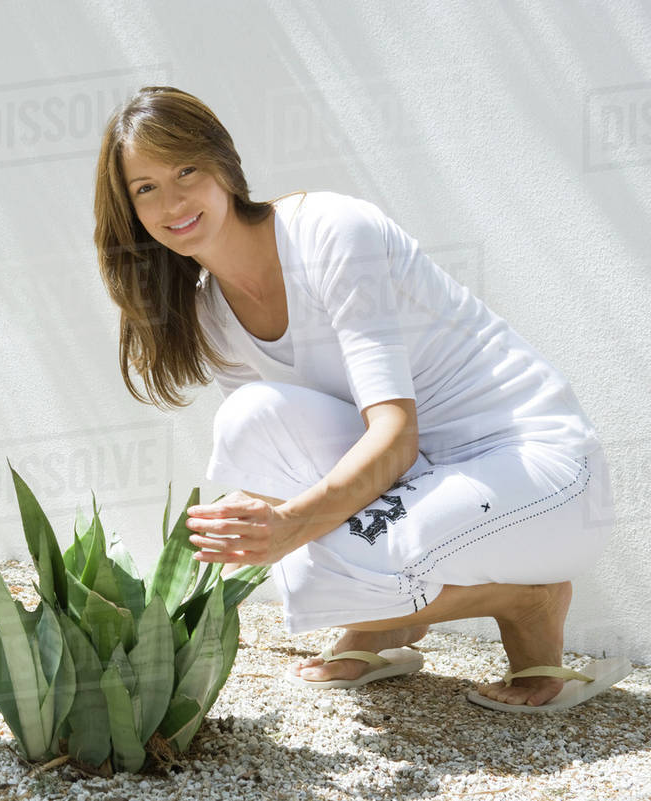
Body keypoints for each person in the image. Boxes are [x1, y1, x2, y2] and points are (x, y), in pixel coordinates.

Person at [92, 85, 628, 712]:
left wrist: (292, 529)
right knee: (255, 437)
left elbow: (394, 436)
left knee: (328, 568)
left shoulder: (329, 231)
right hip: (427, 479)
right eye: (146, 187)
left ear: (225, 167)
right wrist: (248, 529)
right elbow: (276, 453)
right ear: (130, 211)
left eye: (186, 170)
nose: (173, 201)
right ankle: (387, 620)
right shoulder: (209, 312)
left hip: (538, 470)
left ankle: (527, 597)